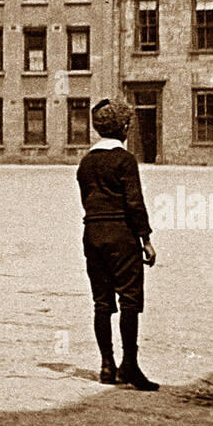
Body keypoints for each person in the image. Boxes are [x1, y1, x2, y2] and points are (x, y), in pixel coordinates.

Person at [76, 97, 158, 389]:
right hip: (121, 235)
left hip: (92, 235)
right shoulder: (125, 160)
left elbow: (88, 201)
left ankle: (107, 366)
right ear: (123, 127)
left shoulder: (85, 163)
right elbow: (134, 203)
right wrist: (146, 239)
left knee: (101, 303)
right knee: (130, 301)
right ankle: (130, 367)